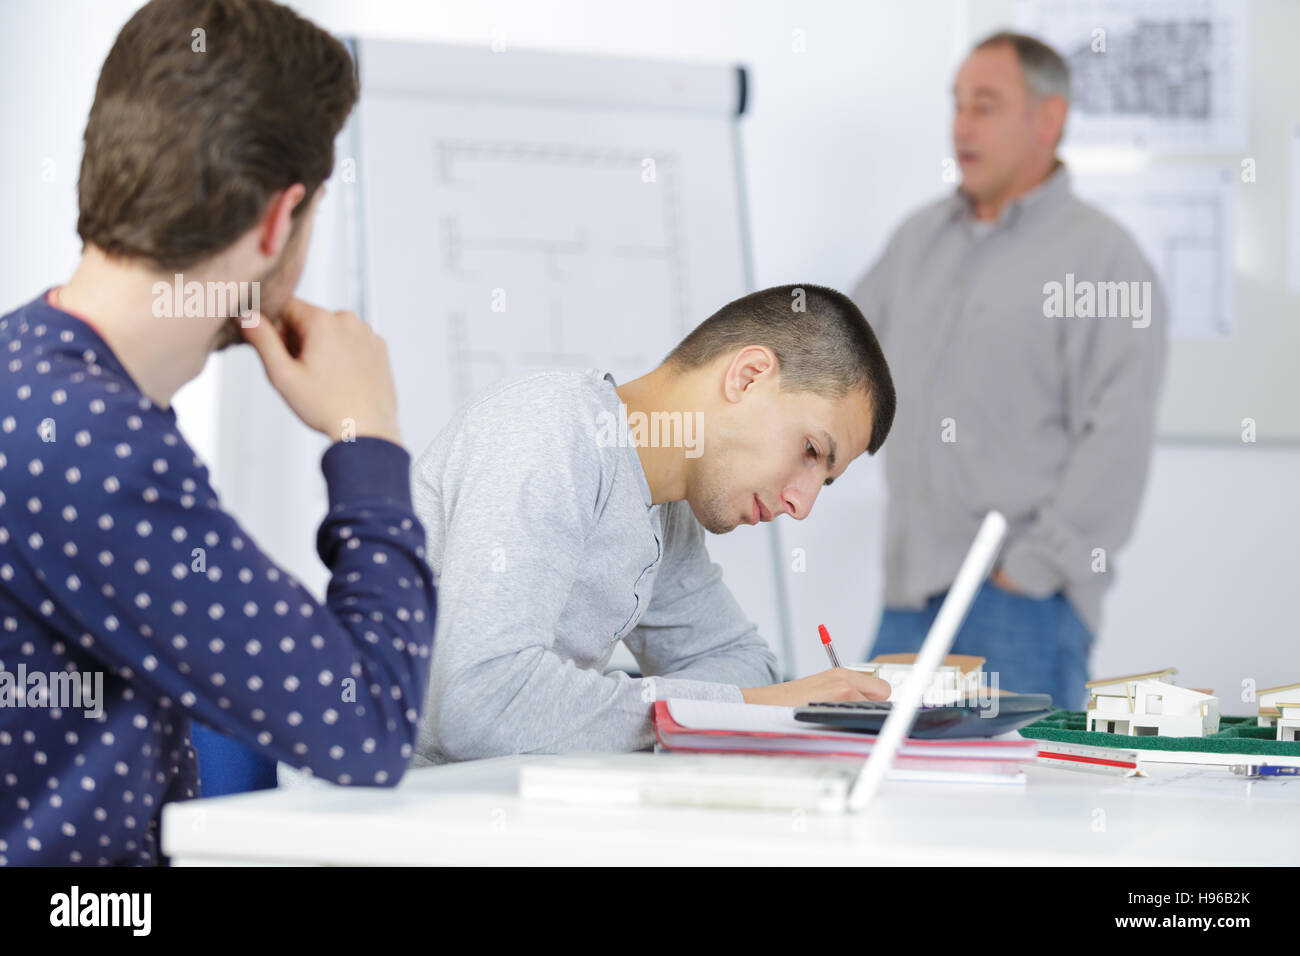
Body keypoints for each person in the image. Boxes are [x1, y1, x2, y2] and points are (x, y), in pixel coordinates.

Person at [0, 0, 434, 866]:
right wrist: (368, 438)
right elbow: (371, 725)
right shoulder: (100, 450)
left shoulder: (32, 373)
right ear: (278, 222)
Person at [410, 284, 895, 764]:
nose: (801, 504)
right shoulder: (554, 427)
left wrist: (718, 706)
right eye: (810, 450)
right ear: (748, 377)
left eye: (824, 481)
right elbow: (481, 705)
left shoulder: (667, 511)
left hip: (492, 807)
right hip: (404, 815)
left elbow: (748, 665)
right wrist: (741, 710)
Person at [850, 32, 1167, 709]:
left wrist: (1028, 571)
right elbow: (842, 358)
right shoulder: (918, 241)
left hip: (1021, 606)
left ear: (1048, 120)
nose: (961, 126)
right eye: (957, 104)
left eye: (985, 106)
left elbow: (1117, 441)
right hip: (907, 594)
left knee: (1025, 810)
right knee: (882, 804)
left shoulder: (1106, 261)